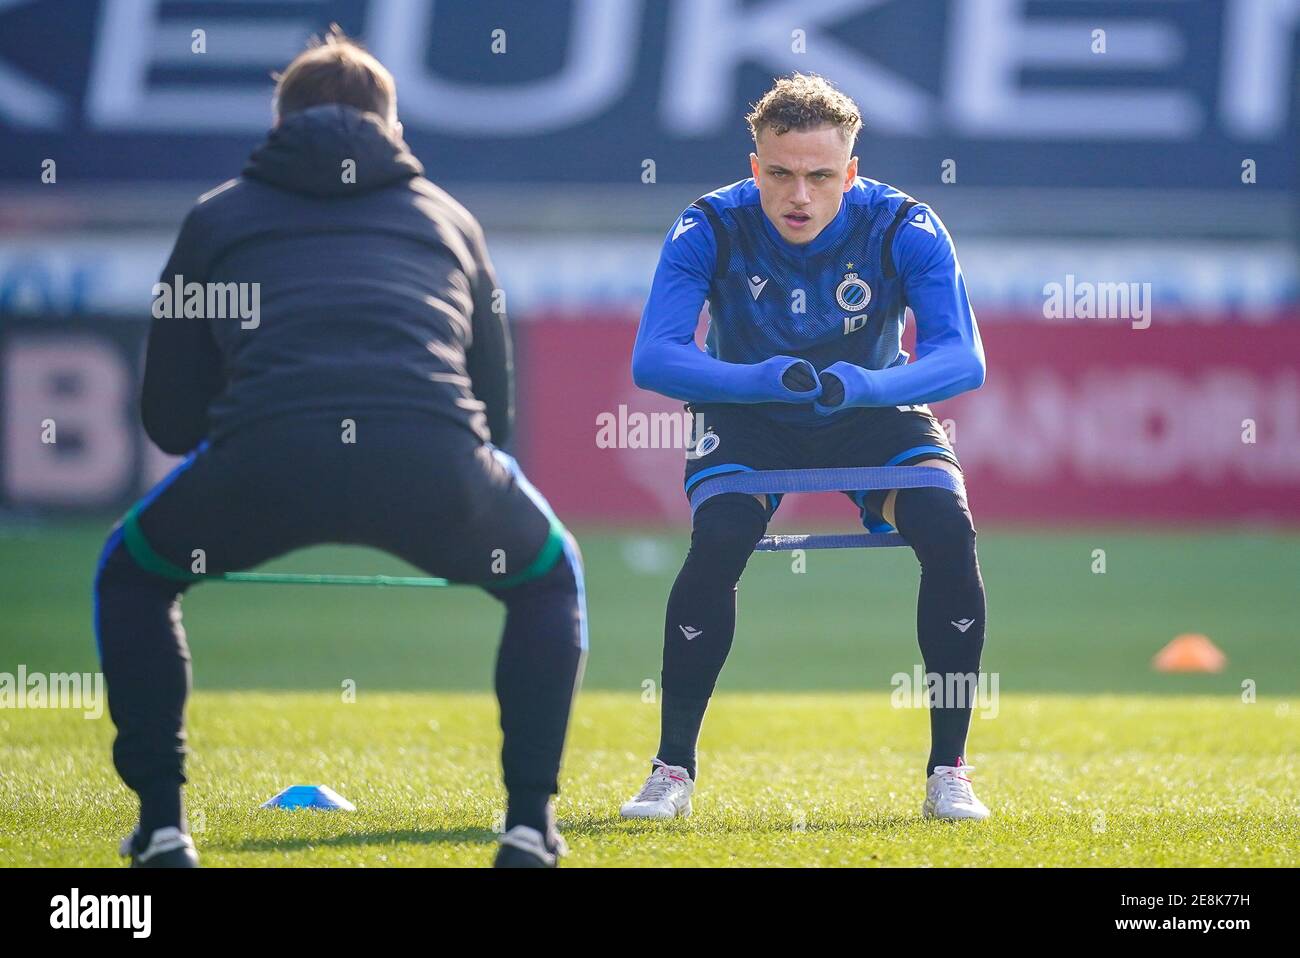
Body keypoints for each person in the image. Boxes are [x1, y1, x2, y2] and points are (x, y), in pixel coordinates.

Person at [94, 26, 585, 869]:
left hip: (264, 459)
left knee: (133, 573)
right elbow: (494, 417)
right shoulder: (449, 218)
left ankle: (165, 829)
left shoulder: (216, 216)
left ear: (278, 121)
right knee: (548, 576)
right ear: (393, 128)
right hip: (429, 457)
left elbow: (169, 421)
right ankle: (528, 827)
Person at [621, 73, 989, 823]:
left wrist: (864, 388)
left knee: (948, 529)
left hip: (872, 405)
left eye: (821, 177)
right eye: (780, 173)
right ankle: (672, 770)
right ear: (754, 165)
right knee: (720, 536)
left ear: (850, 175)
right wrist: (754, 379)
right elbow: (654, 358)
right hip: (751, 411)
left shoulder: (904, 225)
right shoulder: (709, 225)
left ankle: (949, 771)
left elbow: (963, 359)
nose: (799, 195)